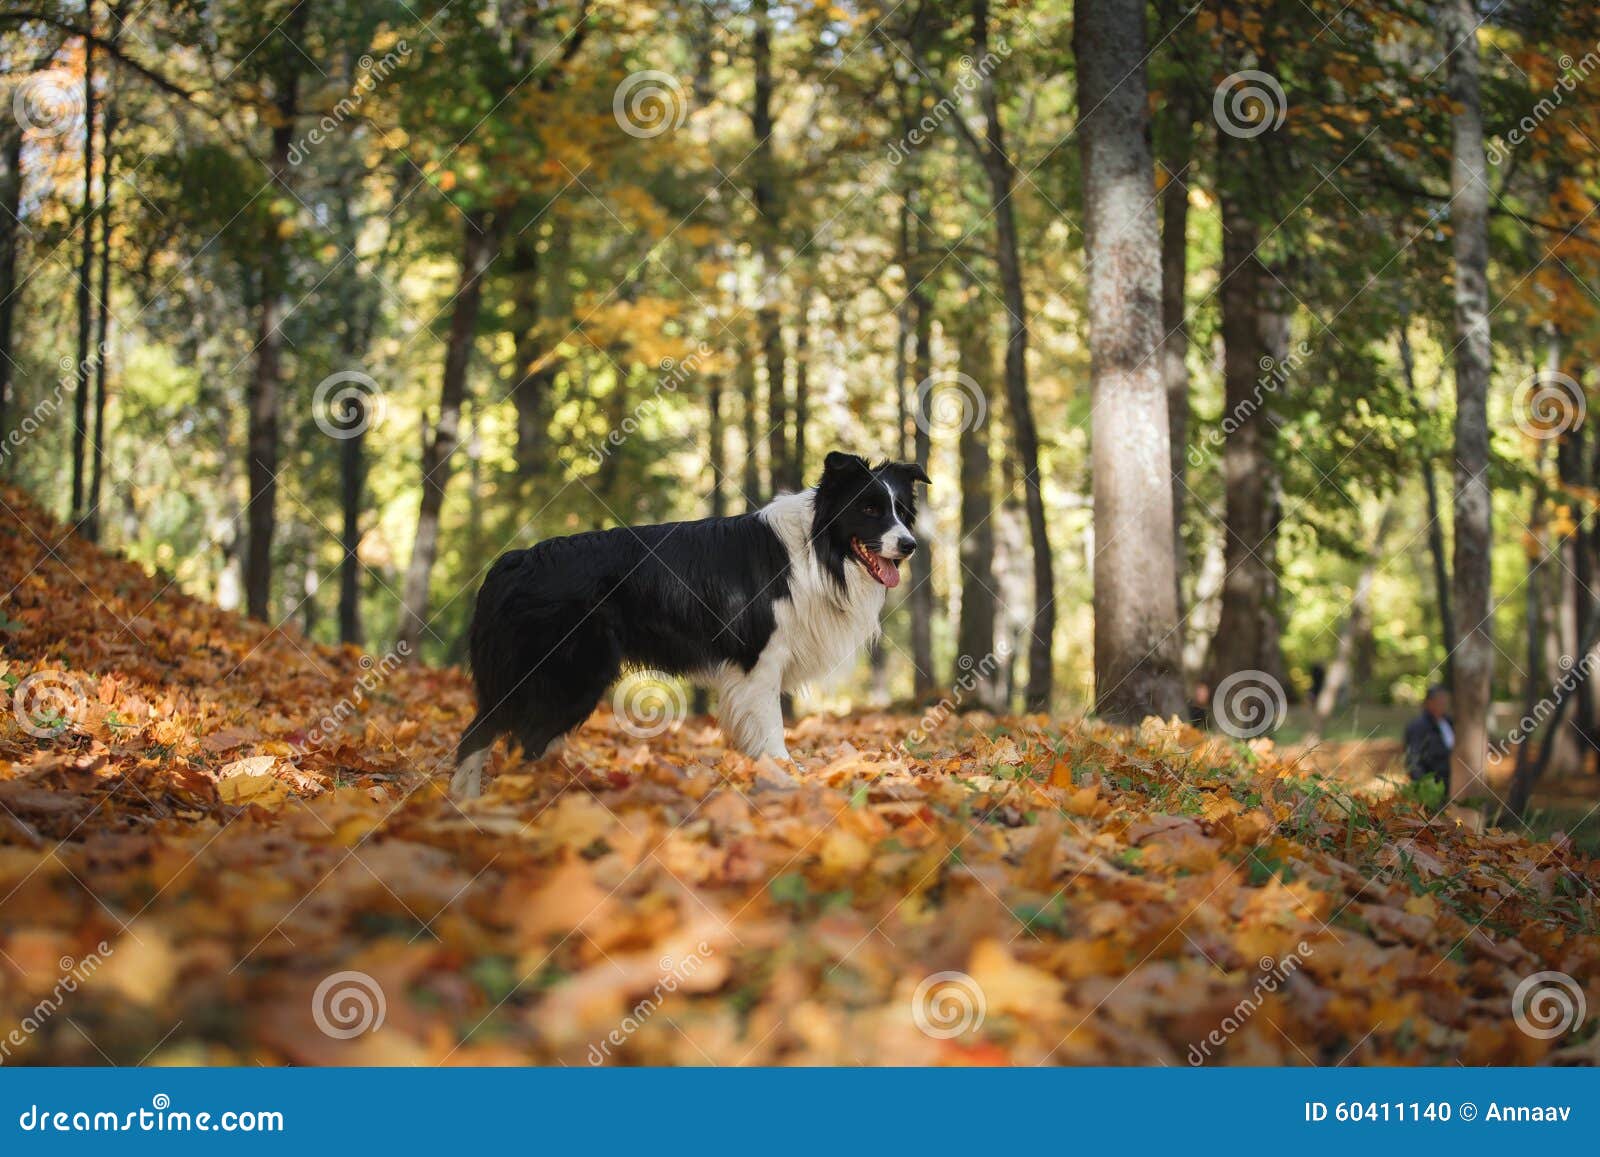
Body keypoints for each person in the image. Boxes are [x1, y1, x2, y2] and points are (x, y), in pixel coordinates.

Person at [1404, 684, 1454, 789]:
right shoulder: (1418, 728)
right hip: (1433, 786)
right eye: (1440, 701)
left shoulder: (1449, 722)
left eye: (1446, 701)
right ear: (1429, 703)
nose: (1444, 704)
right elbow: (1413, 761)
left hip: (1452, 785)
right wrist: (1425, 787)